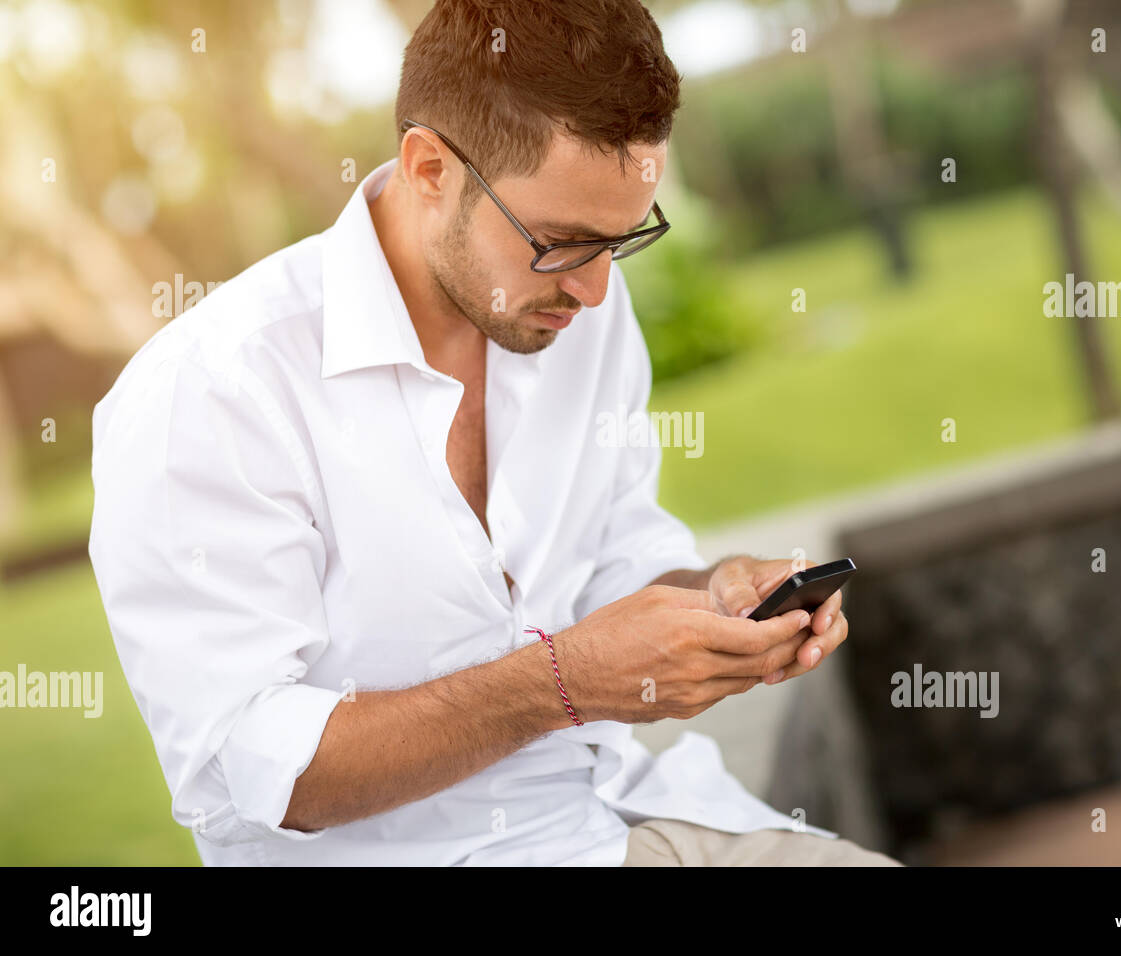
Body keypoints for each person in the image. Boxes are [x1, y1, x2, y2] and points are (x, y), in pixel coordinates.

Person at [88, 0, 899, 867]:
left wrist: (719, 596)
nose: (593, 292)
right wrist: (563, 685)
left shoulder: (578, 307)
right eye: (560, 243)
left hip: (622, 817)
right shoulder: (212, 393)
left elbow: (617, 559)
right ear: (429, 167)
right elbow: (268, 774)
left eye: (621, 243)